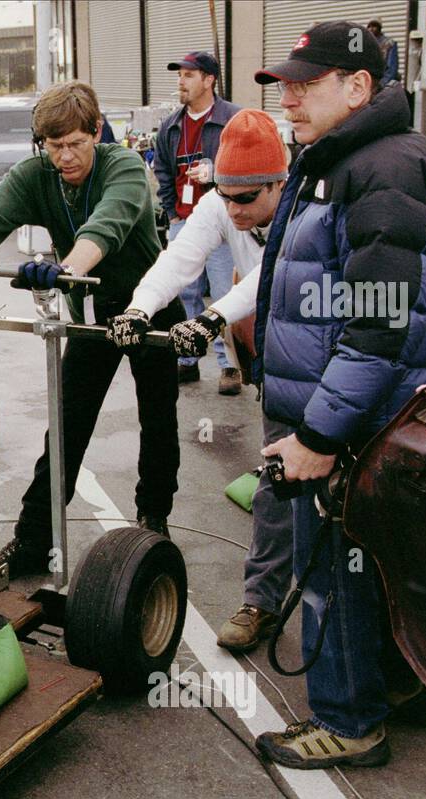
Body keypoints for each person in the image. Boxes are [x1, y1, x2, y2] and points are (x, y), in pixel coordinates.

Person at [250, 21, 426, 768]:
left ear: (359, 87)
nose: (291, 101)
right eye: (286, 87)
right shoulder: (344, 156)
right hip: (361, 413)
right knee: (375, 565)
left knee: (336, 573)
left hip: (363, 420)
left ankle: (348, 720)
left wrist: (317, 437)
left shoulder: (383, 167)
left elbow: (376, 328)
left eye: (306, 86)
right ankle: (396, 690)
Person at [0, 79, 185, 576]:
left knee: (157, 419)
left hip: (149, 306)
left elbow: (107, 227)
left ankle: (153, 516)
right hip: (93, 315)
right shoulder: (35, 176)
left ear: (96, 132)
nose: (66, 156)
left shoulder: (125, 167)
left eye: (75, 143)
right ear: (41, 144)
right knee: (67, 424)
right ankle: (34, 538)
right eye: (55, 146)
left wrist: (67, 269)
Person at [115, 109, 294, 652]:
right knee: (278, 479)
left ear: (279, 183)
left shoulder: (303, 204)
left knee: (338, 493)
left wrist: (213, 318)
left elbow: (272, 274)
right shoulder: (223, 204)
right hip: (280, 357)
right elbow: (180, 259)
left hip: (332, 352)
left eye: (247, 199)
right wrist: (139, 309)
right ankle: (262, 601)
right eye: (225, 195)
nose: (234, 209)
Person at [152, 52, 242, 394]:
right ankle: (187, 359)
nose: (181, 81)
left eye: (189, 75)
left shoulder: (232, 119)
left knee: (223, 294)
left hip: (220, 223)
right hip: (183, 221)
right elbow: (161, 168)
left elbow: (248, 168)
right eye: (180, 75)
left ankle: (230, 366)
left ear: (209, 80)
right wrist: (171, 210)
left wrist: (215, 174)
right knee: (185, 293)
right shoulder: (171, 125)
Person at [367, 20, 400, 85]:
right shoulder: (367, 44)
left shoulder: (389, 43)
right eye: (369, 26)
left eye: (374, 26)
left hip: (383, 83)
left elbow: (391, 69)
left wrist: (382, 84)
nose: (371, 29)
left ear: (379, 28)